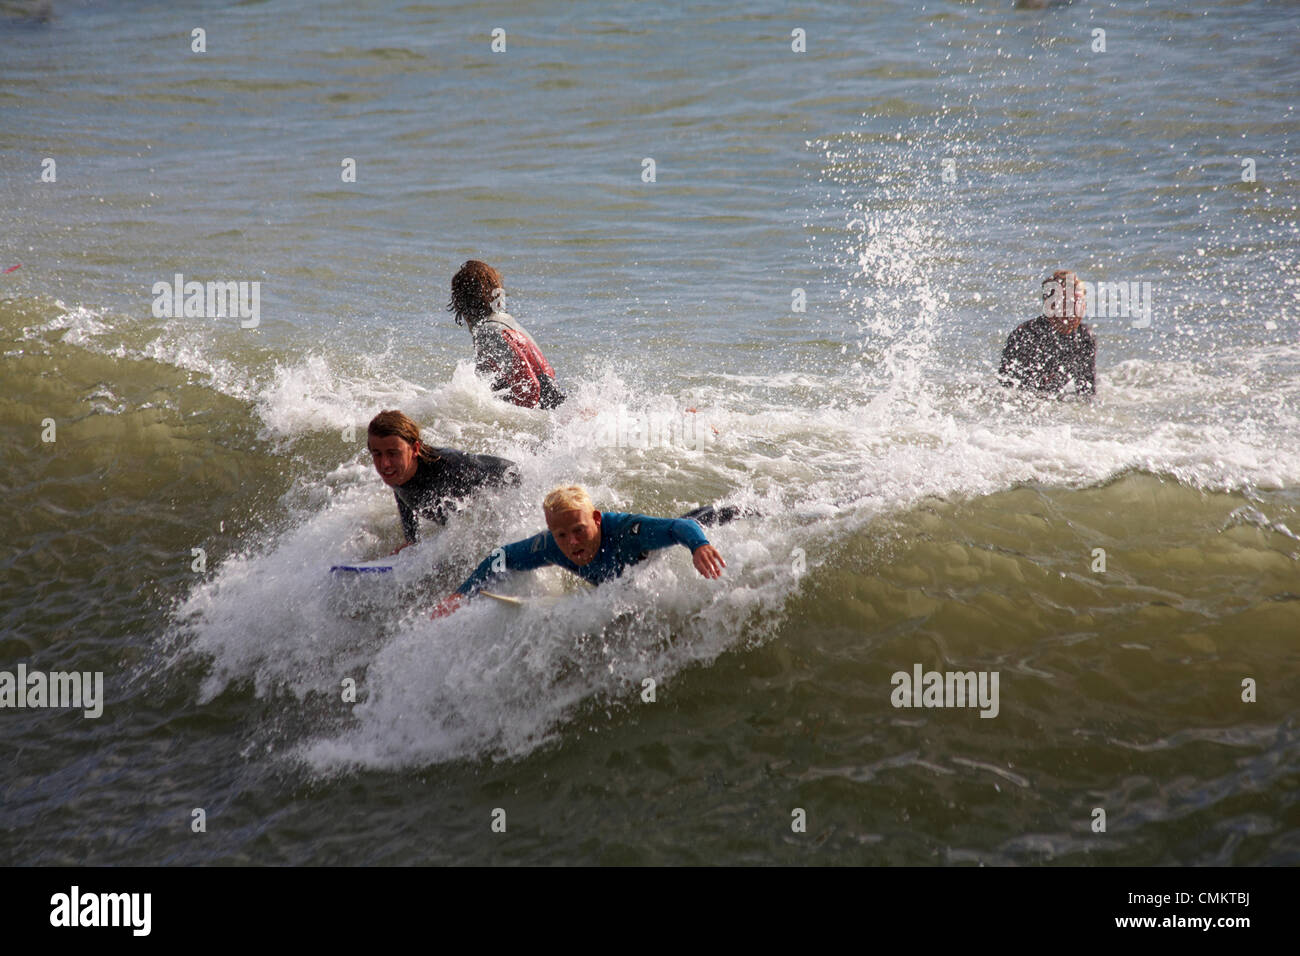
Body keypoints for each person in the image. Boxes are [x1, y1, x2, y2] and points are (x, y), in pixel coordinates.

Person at [431, 485, 728, 616]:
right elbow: (503, 556)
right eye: (561, 534)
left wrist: (699, 545)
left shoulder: (627, 532)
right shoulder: (552, 545)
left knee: (701, 518)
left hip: (678, 536)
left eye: (579, 530)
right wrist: (462, 592)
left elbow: (679, 527)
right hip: (616, 583)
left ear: (596, 519)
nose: (571, 542)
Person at [366, 409, 520, 554]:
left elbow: (471, 523)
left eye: (393, 453)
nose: (384, 463)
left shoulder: (448, 470)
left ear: (415, 449)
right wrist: (412, 540)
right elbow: (402, 492)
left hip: (512, 483)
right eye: (377, 454)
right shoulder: (396, 471)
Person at [447, 259, 565, 409]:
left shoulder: (488, 332)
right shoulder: (504, 322)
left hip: (548, 410)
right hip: (555, 405)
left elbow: (531, 388)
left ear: (459, 300)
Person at [998, 270, 1097, 395]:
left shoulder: (1084, 338)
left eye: (1080, 303)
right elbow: (1007, 391)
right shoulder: (1025, 335)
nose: (1076, 310)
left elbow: (1087, 393)